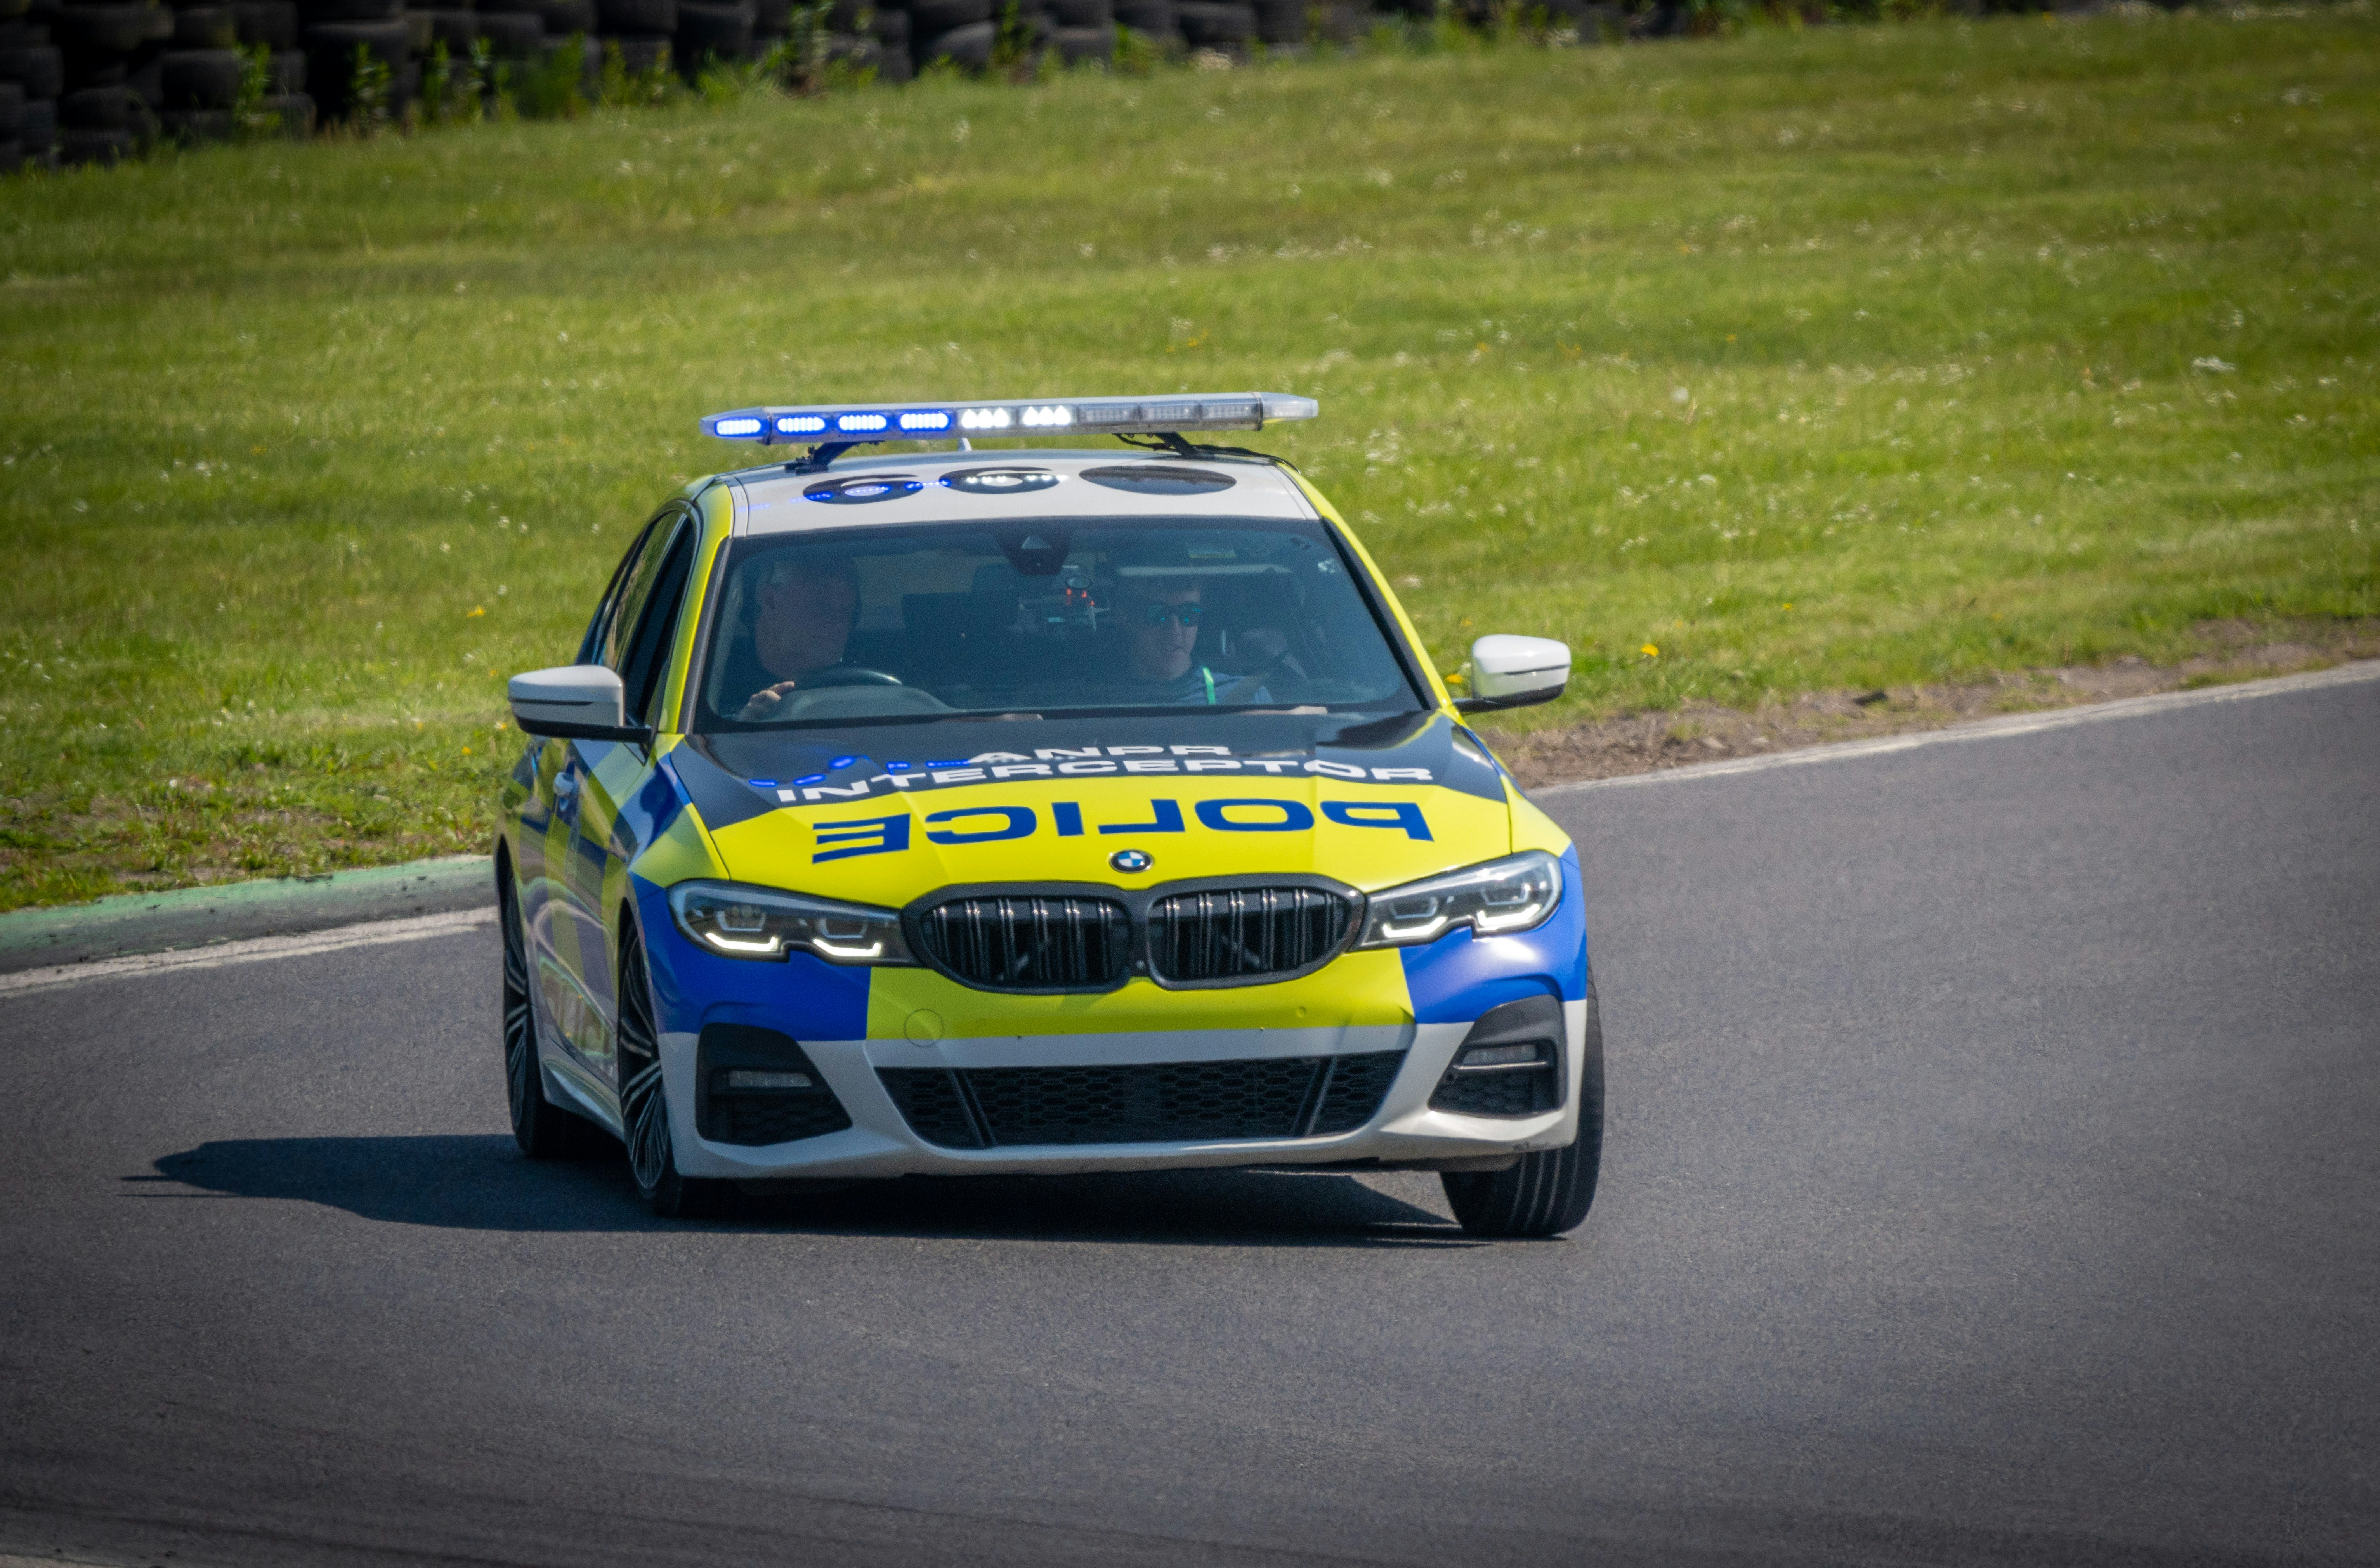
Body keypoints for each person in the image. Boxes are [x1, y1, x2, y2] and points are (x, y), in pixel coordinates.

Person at [723, 554, 864, 721]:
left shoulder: (863, 687)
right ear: (771, 602)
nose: (837, 623)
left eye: (846, 613)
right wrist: (744, 726)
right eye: (821, 608)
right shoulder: (710, 678)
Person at [1116, 581, 1270, 706]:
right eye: (1157, 615)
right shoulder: (1099, 698)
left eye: (1189, 614)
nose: (1175, 631)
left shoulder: (1248, 695)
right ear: (1126, 619)